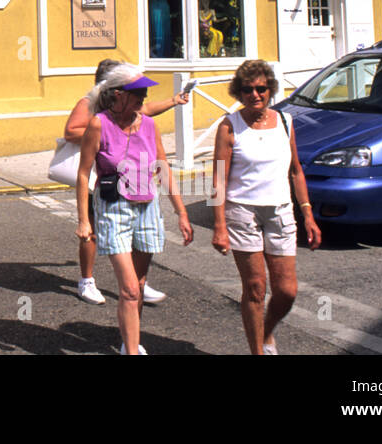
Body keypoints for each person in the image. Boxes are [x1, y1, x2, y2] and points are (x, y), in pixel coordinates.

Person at [76, 63, 194, 355]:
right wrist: (82, 220)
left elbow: (163, 167)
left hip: (148, 207)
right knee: (129, 288)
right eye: (137, 92)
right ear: (118, 95)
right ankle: (131, 350)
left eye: (144, 92)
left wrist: (181, 211)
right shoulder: (99, 124)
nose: (143, 97)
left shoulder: (149, 125)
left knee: (138, 286)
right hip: (113, 207)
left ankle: (130, 339)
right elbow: (83, 173)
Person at [211, 59, 321, 355]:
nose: (255, 94)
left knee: (287, 291)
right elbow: (218, 180)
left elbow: (296, 171)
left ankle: (267, 330)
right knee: (256, 288)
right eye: (248, 89)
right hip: (242, 212)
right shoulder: (229, 126)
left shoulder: (285, 122)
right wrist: (219, 226)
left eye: (261, 88)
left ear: (270, 89)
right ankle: (257, 352)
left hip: (281, 211)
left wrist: (308, 214)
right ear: (239, 91)